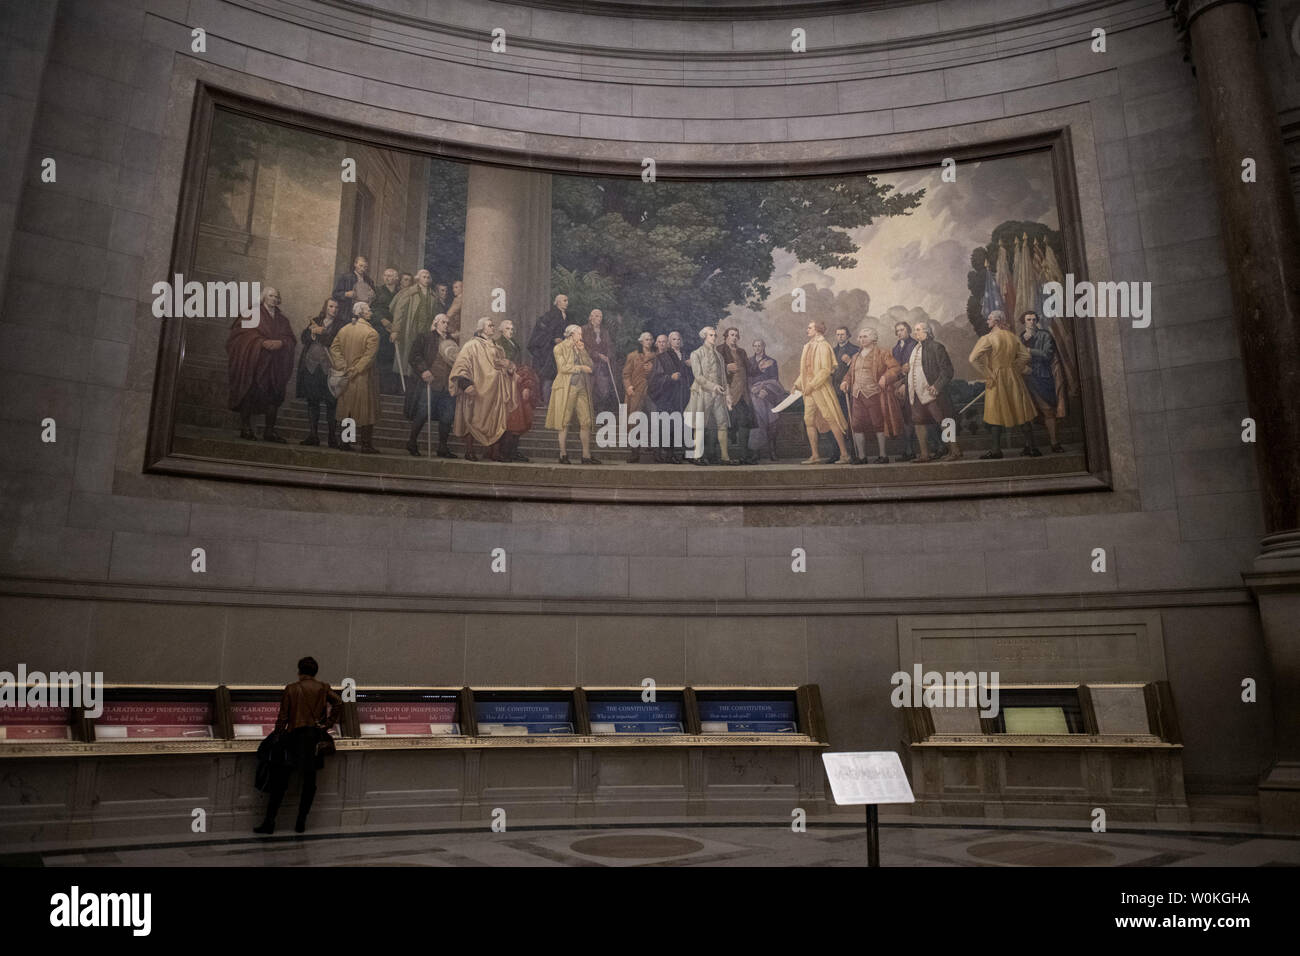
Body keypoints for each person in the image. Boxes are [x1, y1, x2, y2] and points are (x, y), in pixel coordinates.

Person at [254, 656, 343, 836]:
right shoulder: (323, 687)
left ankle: (269, 822)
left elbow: (283, 717)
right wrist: (327, 724)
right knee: (309, 782)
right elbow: (339, 703)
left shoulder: (292, 689)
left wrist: (277, 735)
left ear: (299, 671)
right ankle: (301, 822)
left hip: (292, 738)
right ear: (315, 672)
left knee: (280, 782)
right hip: (312, 739)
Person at [226, 285, 296, 442]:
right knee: (249, 393)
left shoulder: (282, 320)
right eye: (271, 296)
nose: (274, 299)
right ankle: (246, 428)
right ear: (264, 297)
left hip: (275, 364)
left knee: (274, 396)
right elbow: (239, 336)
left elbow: (290, 339)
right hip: (255, 362)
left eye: (276, 297)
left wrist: (281, 343)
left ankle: (269, 432)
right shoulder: (251, 313)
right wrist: (260, 342)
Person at [969, 310, 1039, 459]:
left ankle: (995, 451)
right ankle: (1032, 448)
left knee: (995, 413)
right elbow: (1025, 356)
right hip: (1013, 378)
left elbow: (973, 359)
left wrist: (988, 374)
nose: (987, 321)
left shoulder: (987, 338)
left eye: (989, 319)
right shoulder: (1012, 337)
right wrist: (1015, 368)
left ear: (995, 321)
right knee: (1021, 410)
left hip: (996, 379)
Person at [450, 317, 516, 461]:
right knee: (471, 418)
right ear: (482, 328)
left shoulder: (497, 347)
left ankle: (495, 452)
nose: (493, 327)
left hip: (495, 391)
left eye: (493, 325)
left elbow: (503, 366)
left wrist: (509, 367)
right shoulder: (471, 345)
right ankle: (469, 451)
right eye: (490, 325)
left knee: (496, 420)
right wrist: (465, 384)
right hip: (477, 389)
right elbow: (461, 366)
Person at [840, 328, 904, 464]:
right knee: (857, 425)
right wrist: (845, 381)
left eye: (865, 337)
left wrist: (885, 377)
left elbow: (896, 368)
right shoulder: (856, 356)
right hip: (857, 395)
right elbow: (851, 374)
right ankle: (862, 457)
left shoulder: (882, 353)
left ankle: (883, 455)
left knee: (878, 424)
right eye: (860, 337)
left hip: (875, 394)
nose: (861, 340)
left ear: (873, 339)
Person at [792, 320, 852, 464]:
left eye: (809, 327)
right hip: (810, 391)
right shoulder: (807, 346)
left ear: (817, 330)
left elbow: (825, 370)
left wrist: (811, 385)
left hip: (821, 389)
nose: (807, 330)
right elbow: (805, 370)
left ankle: (844, 455)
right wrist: (797, 384)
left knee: (831, 418)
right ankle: (815, 455)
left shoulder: (824, 346)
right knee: (809, 420)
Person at [904, 321, 963, 462]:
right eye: (915, 330)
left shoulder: (937, 347)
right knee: (918, 422)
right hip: (916, 393)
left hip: (933, 392)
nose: (915, 332)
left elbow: (947, 371)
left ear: (927, 331)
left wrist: (937, 386)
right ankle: (925, 454)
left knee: (944, 420)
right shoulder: (915, 349)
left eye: (918, 330)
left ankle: (955, 451)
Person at [330, 302, 381, 453]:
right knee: (366, 411)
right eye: (368, 310)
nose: (370, 312)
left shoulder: (344, 329)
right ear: (362, 313)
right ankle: (365, 445)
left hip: (346, 376)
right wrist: (355, 370)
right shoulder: (372, 333)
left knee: (348, 410)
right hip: (363, 378)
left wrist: (343, 366)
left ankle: (346, 442)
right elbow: (369, 357)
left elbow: (334, 348)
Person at [405, 313, 458, 458]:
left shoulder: (452, 341)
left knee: (447, 416)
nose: (446, 325)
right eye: (443, 322)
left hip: (446, 385)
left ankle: (442, 447)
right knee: (422, 413)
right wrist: (424, 370)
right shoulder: (425, 337)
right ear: (436, 323)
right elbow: (414, 356)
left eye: (447, 323)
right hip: (429, 383)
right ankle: (412, 442)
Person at [295, 297, 345, 448]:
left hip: (329, 368)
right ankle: (313, 435)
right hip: (311, 367)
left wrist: (322, 333)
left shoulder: (342, 325)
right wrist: (312, 333)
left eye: (336, 307)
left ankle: (332, 438)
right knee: (312, 401)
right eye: (331, 306)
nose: (333, 310)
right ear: (325, 307)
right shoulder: (315, 320)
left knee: (332, 403)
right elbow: (304, 338)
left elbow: (339, 343)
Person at [546, 324, 599, 464]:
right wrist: (581, 367)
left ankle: (586, 456)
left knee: (586, 421)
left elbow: (591, 365)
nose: (581, 337)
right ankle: (563, 454)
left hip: (581, 387)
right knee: (564, 421)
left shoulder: (579, 347)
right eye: (579, 334)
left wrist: (583, 352)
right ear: (571, 334)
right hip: (566, 387)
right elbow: (563, 368)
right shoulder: (559, 348)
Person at [687, 326, 739, 465]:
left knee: (722, 423)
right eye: (711, 335)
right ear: (705, 336)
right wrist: (713, 386)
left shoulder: (719, 356)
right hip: (702, 393)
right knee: (699, 425)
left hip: (718, 395)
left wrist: (727, 395)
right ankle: (697, 456)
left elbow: (723, 378)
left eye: (715, 335)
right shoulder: (696, 354)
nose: (714, 338)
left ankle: (725, 457)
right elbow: (698, 377)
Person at [892, 319, 941, 461]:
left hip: (929, 389)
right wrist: (901, 381)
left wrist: (936, 386)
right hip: (911, 390)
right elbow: (903, 369)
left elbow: (943, 371)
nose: (899, 333)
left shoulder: (921, 346)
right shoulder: (900, 348)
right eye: (897, 331)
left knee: (941, 420)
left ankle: (947, 448)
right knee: (913, 420)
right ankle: (917, 451)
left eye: (902, 330)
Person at [1021, 309, 1067, 453]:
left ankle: (1054, 443)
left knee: (1048, 410)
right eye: (1028, 319)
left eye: (1034, 319)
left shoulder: (1045, 335)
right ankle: (1029, 446)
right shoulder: (1019, 338)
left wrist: (1029, 351)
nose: (1031, 322)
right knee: (1025, 412)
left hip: (1042, 376)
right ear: (1024, 322)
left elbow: (1047, 354)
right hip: (1024, 378)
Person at [649, 331, 692, 463]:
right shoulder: (662, 357)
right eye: (674, 339)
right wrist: (669, 378)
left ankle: (680, 453)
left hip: (683, 395)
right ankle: (669, 455)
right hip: (668, 396)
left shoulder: (686, 356)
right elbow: (655, 379)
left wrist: (691, 366)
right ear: (669, 342)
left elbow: (691, 376)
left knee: (682, 423)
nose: (677, 341)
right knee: (669, 424)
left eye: (679, 339)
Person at [719, 327, 758, 464]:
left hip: (743, 393)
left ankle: (744, 454)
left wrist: (759, 363)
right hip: (728, 392)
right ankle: (727, 456)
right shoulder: (720, 350)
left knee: (745, 423)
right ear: (726, 337)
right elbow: (712, 368)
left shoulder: (741, 352)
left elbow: (751, 370)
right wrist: (725, 367)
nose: (734, 337)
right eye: (731, 335)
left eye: (736, 335)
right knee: (729, 423)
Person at [389, 269, 436, 380]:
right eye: (424, 277)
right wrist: (395, 330)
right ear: (418, 278)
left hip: (426, 330)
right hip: (411, 328)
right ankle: (406, 379)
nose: (426, 279)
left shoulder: (433, 295)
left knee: (423, 354)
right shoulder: (410, 292)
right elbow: (399, 311)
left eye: (428, 277)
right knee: (408, 353)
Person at [748, 339, 787, 461]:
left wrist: (765, 390)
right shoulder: (749, 362)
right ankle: (756, 452)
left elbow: (775, 379)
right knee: (757, 422)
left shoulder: (772, 361)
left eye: (760, 346)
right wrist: (755, 390)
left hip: (768, 395)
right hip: (754, 396)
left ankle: (772, 451)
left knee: (772, 422)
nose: (757, 348)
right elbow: (747, 379)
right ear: (753, 347)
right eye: (755, 346)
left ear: (764, 347)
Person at [622, 332, 658, 463]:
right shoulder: (633, 356)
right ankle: (634, 452)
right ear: (641, 341)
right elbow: (626, 374)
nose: (648, 342)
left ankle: (655, 451)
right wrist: (629, 386)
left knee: (654, 417)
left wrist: (653, 369)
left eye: (650, 339)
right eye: (646, 340)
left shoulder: (656, 357)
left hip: (651, 392)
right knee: (634, 420)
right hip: (636, 392)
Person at [528, 294, 570, 405]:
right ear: (557, 302)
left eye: (567, 300)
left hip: (558, 350)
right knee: (548, 375)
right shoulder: (551, 314)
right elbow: (542, 329)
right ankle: (547, 403)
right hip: (548, 351)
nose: (567, 302)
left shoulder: (564, 315)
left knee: (556, 375)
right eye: (564, 300)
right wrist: (553, 339)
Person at [368, 266, 402, 394]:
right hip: (380, 328)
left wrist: (395, 326)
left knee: (392, 359)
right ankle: (377, 388)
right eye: (385, 275)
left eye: (390, 275)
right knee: (380, 357)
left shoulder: (400, 292)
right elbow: (372, 309)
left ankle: (390, 389)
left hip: (395, 329)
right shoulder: (377, 291)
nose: (387, 278)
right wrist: (382, 320)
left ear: (396, 278)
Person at [829, 326, 859, 462]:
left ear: (848, 335)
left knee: (849, 422)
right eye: (838, 334)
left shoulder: (855, 350)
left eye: (842, 334)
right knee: (835, 423)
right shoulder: (832, 351)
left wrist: (849, 362)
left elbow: (858, 369)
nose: (840, 337)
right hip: (834, 392)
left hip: (848, 392)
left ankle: (853, 453)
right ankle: (836, 453)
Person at [582, 309, 616, 416]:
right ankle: (588, 414)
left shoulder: (605, 331)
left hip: (602, 365)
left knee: (604, 391)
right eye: (597, 316)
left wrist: (608, 355)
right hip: (589, 364)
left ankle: (600, 413)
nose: (599, 319)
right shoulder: (584, 329)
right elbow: (583, 347)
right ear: (591, 317)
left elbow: (610, 346)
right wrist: (597, 355)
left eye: (600, 317)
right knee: (588, 390)